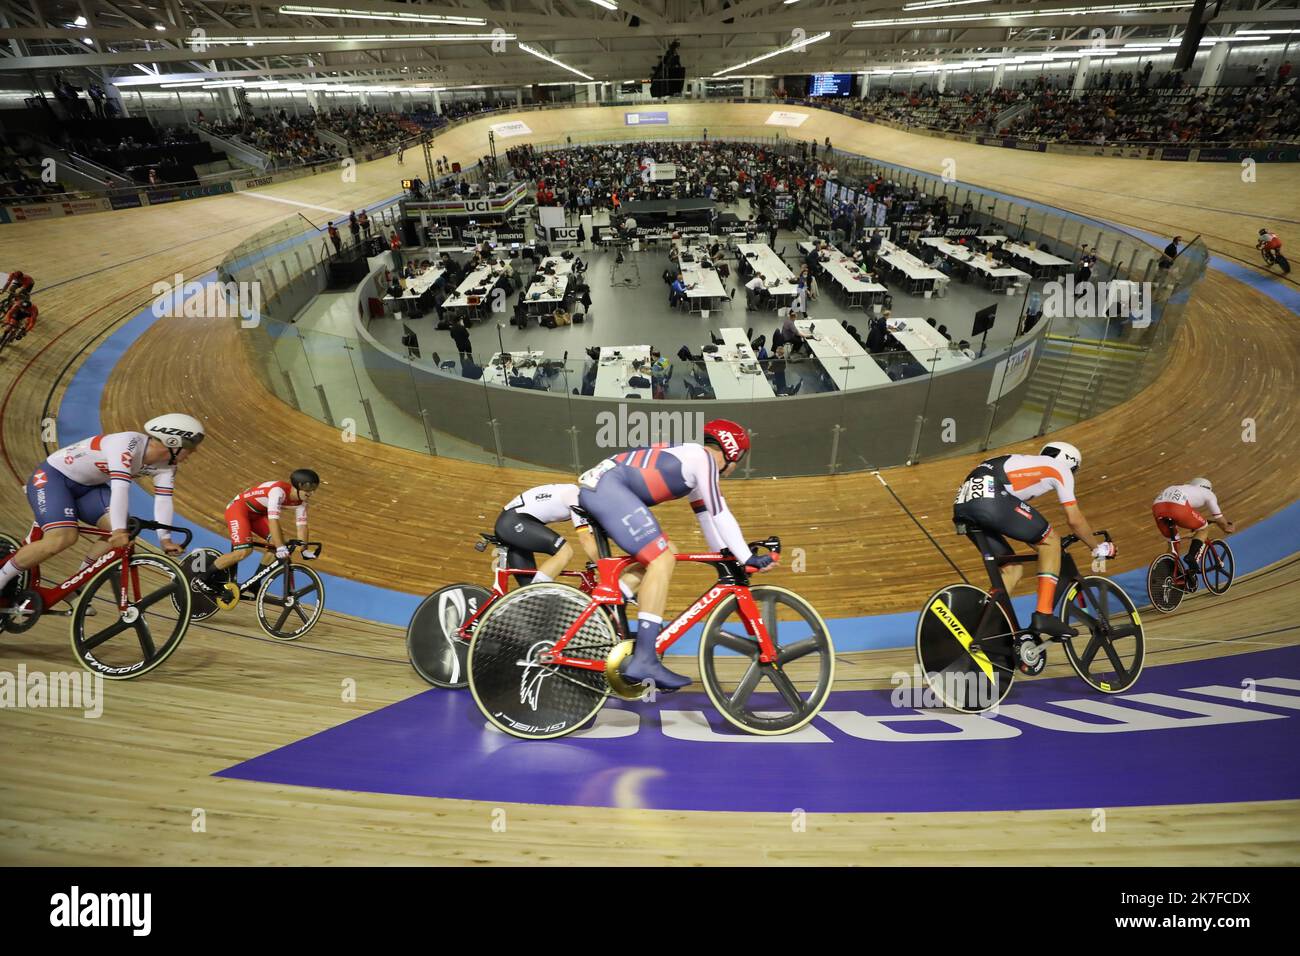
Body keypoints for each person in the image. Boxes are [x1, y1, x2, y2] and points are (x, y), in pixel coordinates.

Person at [577, 420, 771, 690]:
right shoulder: (703, 459)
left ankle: (606, 605)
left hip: (606, 486)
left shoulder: (692, 459)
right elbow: (720, 513)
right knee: (661, 558)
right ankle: (645, 658)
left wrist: (727, 556)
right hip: (609, 488)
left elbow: (706, 518)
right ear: (732, 453)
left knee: (669, 552)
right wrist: (746, 557)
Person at [0, 414, 204, 604]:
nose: (192, 454)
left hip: (89, 487)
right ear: (173, 443)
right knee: (63, 537)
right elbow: (120, 489)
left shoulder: (167, 465)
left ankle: (76, 589)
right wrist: (117, 531)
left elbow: (163, 500)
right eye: (190, 448)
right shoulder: (126, 444)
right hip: (54, 478)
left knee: (126, 529)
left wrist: (165, 539)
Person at [951, 441, 1115, 644]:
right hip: (992, 498)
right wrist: (1096, 547)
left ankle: (980, 626)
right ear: (1070, 463)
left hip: (963, 506)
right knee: (1051, 541)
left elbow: (1020, 523)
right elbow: (1074, 519)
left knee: (1012, 570)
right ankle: (1044, 615)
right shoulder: (1059, 467)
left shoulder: (1022, 462)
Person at [196, 470, 321, 598]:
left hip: (257, 515)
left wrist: (303, 550)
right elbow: (273, 521)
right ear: (296, 486)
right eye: (308, 489)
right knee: (244, 551)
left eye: (313, 489)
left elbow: (302, 527)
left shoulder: (302, 504)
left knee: (276, 544)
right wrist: (280, 547)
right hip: (239, 509)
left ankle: (255, 583)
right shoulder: (278, 491)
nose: (311, 493)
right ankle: (202, 579)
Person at [493, 483, 601, 586]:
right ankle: (536, 591)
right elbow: (586, 540)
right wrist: (604, 570)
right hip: (513, 522)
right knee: (565, 551)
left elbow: (593, 540)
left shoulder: (581, 497)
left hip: (515, 522)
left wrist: (599, 565)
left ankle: (534, 593)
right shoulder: (576, 497)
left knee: (529, 597)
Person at [1152, 478, 1234, 588]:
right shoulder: (1208, 493)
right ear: (1207, 488)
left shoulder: (1183, 487)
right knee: (1203, 528)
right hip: (1178, 507)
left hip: (1157, 507)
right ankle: (1191, 556)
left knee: (1174, 543)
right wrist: (1227, 526)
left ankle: (1171, 573)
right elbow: (1219, 518)